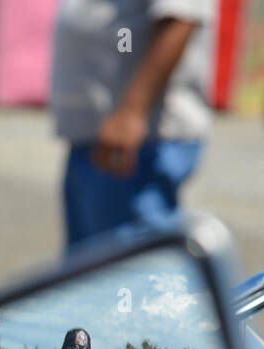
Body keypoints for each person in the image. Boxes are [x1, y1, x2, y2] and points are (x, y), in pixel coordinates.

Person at [50, 0, 214, 249]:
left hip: (136, 140)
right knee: (89, 271)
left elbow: (180, 19)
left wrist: (132, 111)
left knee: (134, 270)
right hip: (100, 137)